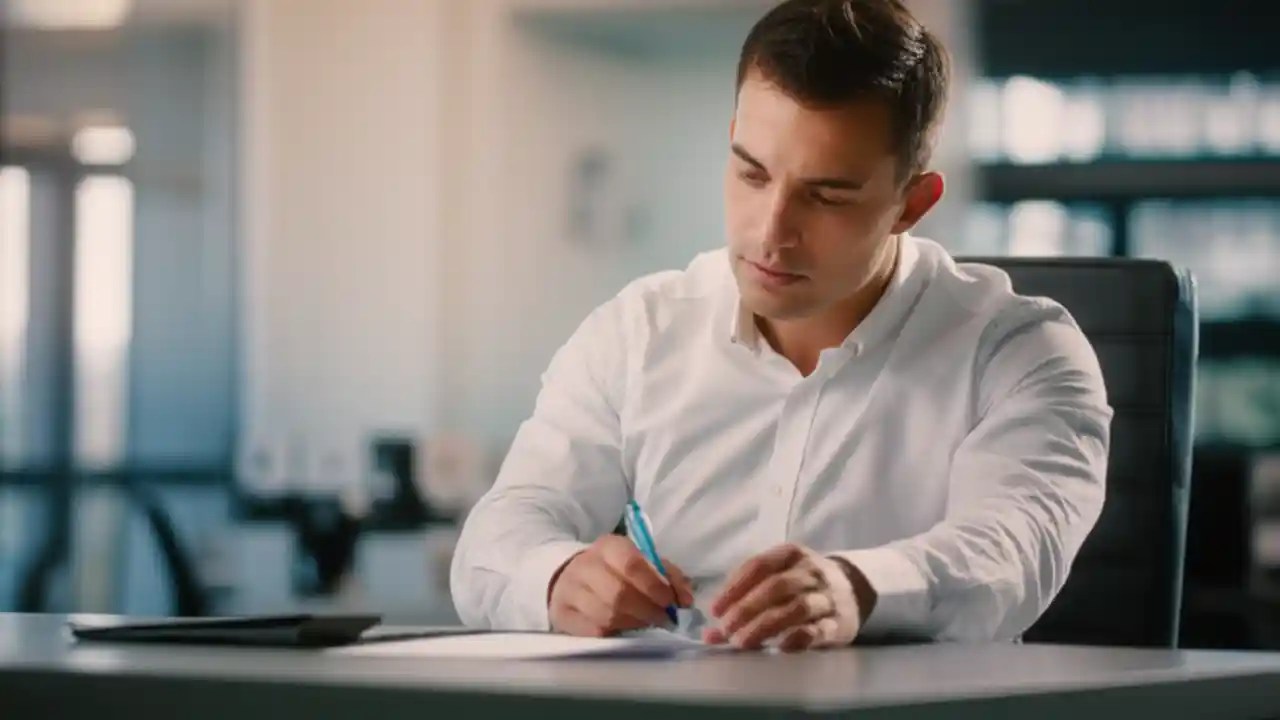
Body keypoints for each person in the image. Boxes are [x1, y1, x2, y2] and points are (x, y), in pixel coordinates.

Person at [450, 0, 1111, 652]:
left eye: (826, 195)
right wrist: (558, 577)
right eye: (752, 172)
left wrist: (858, 587)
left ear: (913, 203)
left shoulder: (1020, 352)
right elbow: (496, 540)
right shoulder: (637, 332)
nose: (770, 234)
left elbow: (1013, 552)